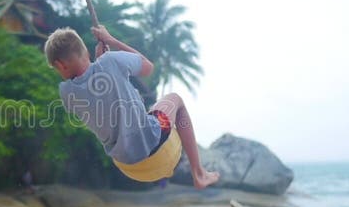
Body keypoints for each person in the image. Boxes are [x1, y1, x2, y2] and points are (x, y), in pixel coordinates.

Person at [44, 26, 220, 188]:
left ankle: (198, 173)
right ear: (84, 52)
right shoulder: (110, 61)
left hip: (126, 162)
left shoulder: (67, 93)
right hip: (152, 142)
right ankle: (198, 173)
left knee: (148, 115)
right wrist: (112, 41)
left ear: (60, 65)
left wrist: (101, 61)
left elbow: (98, 92)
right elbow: (148, 67)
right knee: (176, 99)